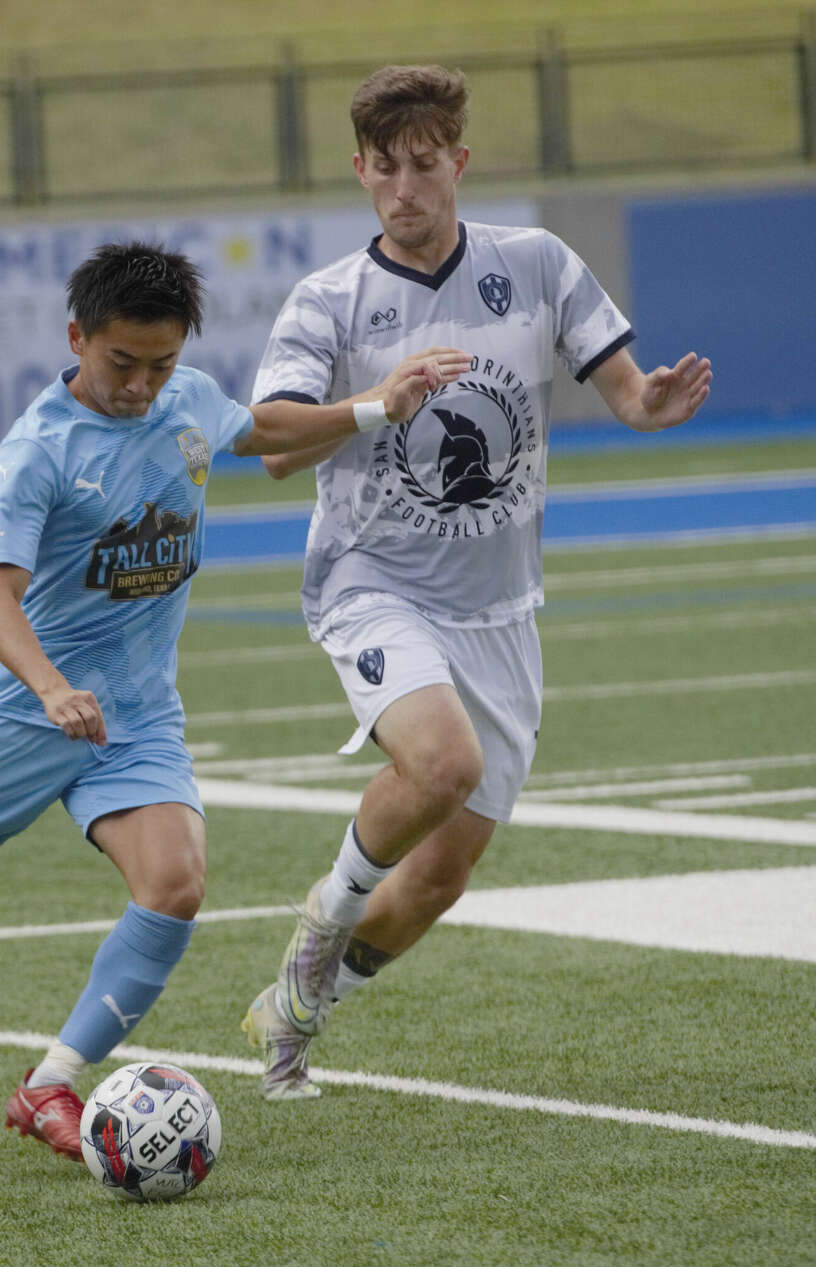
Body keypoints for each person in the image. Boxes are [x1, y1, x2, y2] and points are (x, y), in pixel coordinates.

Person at [0, 241, 466, 1162]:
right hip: (27, 712)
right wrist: (51, 687)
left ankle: (46, 1087)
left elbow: (260, 430)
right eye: (123, 364)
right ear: (77, 337)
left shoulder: (185, 399)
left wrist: (370, 408)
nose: (143, 385)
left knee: (176, 885)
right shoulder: (37, 451)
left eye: (161, 364)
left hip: (137, 717)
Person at [241, 65, 713, 1099]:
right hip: (374, 585)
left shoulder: (537, 264)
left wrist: (652, 407)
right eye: (385, 168)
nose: (406, 187)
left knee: (438, 881)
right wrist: (375, 403)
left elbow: (626, 390)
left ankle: (298, 1005)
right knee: (441, 763)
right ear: (360, 171)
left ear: (458, 161)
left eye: (425, 164)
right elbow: (268, 440)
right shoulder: (331, 300)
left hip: (501, 612)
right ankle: (324, 917)